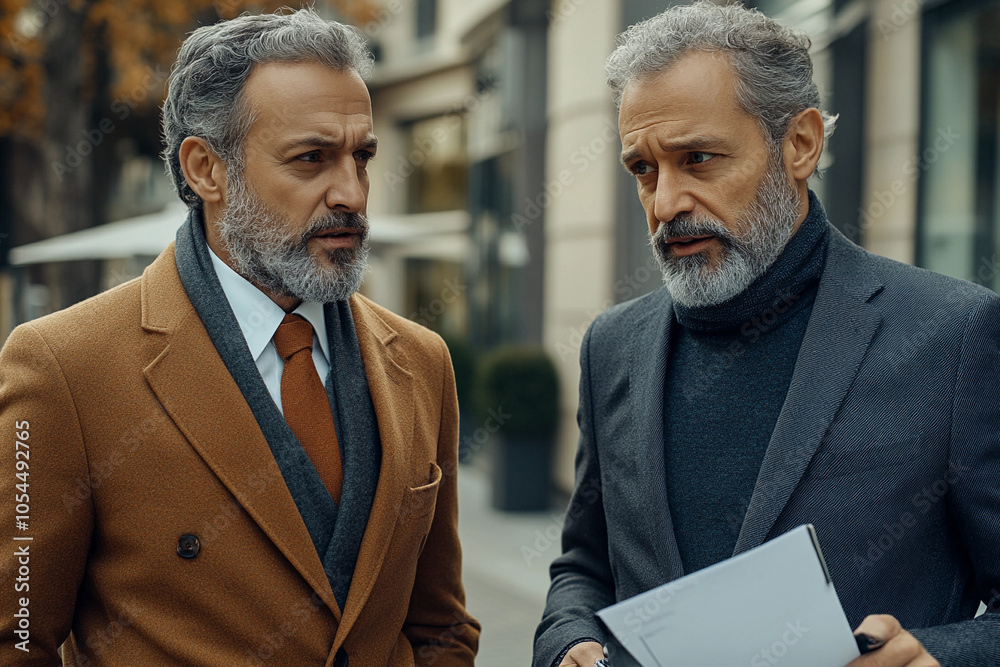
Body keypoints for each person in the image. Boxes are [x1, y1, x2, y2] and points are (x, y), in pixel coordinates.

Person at [0, 9, 478, 666]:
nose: (353, 191)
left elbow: (441, 627)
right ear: (206, 170)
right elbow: (16, 636)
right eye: (312, 158)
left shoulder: (423, 362)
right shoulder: (63, 368)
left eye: (362, 155)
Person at [533, 3, 1000, 667]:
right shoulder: (612, 346)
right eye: (643, 169)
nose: (665, 203)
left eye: (698, 158)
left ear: (801, 143)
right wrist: (570, 642)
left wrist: (937, 655)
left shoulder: (953, 336)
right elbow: (584, 565)